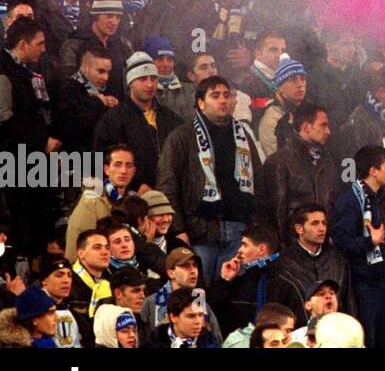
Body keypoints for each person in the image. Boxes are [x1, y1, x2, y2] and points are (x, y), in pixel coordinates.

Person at [157, 75, 263, 282]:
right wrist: (178, 230)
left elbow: (259, 182)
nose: (223, 100)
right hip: (200, 230)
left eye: (227, 95)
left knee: (231, 292)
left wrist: (255, 226)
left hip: (238, 230)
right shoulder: (181, 136)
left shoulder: (243, 135)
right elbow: (167, 186)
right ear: (201, 102)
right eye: (215, 95)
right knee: (199, 291)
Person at [328, 144, 385, 348]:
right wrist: (369, 242)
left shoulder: (382, 198)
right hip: (364, 285)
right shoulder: (350, 200)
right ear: (373, 171)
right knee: (368, 341)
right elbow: (340, 241)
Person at [93, 51, 181, 190]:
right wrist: (137, 185)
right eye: (142, 79)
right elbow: (101, 160)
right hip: (130, 197)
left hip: (169, 193)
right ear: (131, 83)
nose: (150, 84)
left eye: (153, 78)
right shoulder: (113, 119)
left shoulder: (172, 119)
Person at [258, 101, 337, 244]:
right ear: (307, 127)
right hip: (292, 248)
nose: (328, 131)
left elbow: (330, 204)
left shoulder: (327, 160)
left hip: (321, 246)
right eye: (323, 125)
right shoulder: (279, 162)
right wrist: (285, 248)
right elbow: (276, 212)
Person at [264, 205, 352, 326]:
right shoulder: (282, 266)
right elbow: (276, 311)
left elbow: (349, 302)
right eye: (315, 223)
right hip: (299, 336)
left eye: (324, 223)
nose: (321, 228)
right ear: (299, 228)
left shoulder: (338, 260)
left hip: (336, 332)